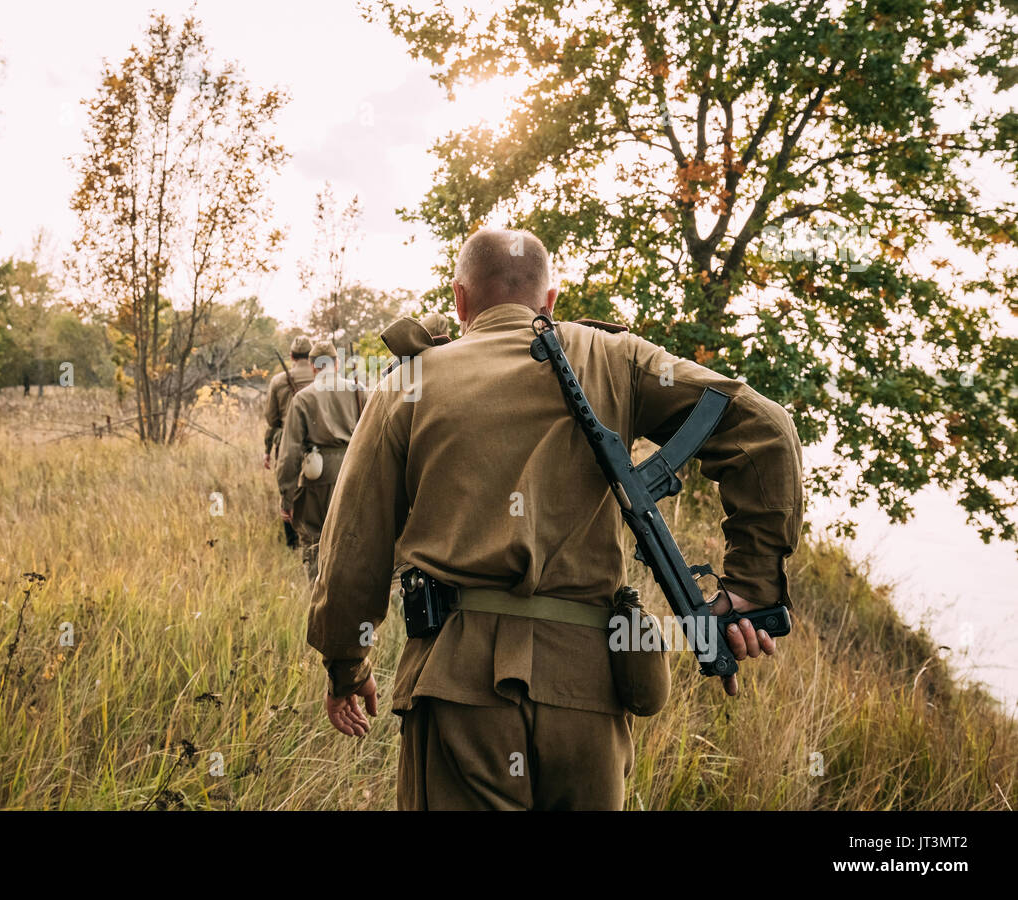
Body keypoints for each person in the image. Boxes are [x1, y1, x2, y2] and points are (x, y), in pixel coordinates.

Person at [306, 227, 804, 810]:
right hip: (588, 686)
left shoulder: (410, 384)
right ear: (550, 301)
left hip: (459, 692)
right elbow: (766, 429)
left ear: (461, 300)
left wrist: (346, 664)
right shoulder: (616, 359)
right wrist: (751, 584)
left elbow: (353, 551)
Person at [277, 340, 366, 583]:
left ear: (314, 368)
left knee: (315, 542)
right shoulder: (360, 391)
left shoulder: (303, 398)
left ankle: (320, 601)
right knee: (353, 541)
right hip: (354, 475)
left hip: (317, 478)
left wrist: (287, 497)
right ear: (336, 364)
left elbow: (290, 454)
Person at [264, 335, 316, 548]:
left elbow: (271, 419)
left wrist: (268, 449)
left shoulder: (278, 381)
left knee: (288, 488)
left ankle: (293, 542)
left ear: (292, 356)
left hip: (287, 442)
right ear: (312, 356)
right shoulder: (319, 377)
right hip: (317, 443)